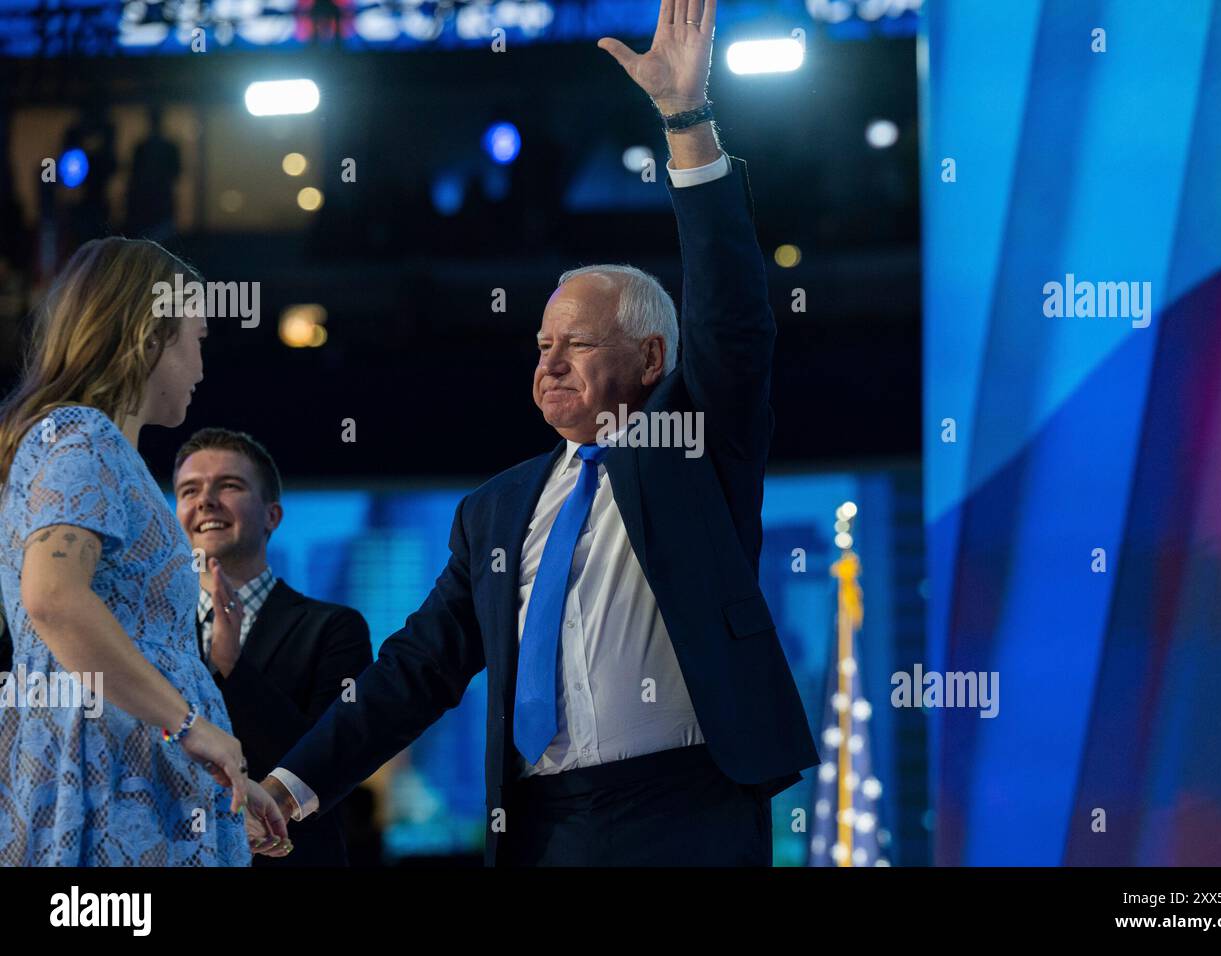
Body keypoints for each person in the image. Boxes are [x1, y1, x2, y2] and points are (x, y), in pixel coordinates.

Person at [259, 0, 819, 866]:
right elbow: (416, 671)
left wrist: (685, 120)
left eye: (578, 345)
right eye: (541, 346)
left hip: (688, 813)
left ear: (650, 358)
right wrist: (292, 785)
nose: (549, 363)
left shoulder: (693, 448)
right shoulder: (497, 510)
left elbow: (736, 320)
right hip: (542, 827)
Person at [0, 237, 287, 865]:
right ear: (149, 334)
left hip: (125, 774)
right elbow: (52, 595)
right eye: (197, 339)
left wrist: (227, 779)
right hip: (105, 779)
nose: (202, 366)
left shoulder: (87, 445)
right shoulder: (84, 435)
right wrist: (191, 727)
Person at [173, 427, 373, 866]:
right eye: (190, 490)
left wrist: (234, 667)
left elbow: (330, 760)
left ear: (272, 515)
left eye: (228, 485)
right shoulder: (154, 632)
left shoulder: (335, 628)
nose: (206, 501)